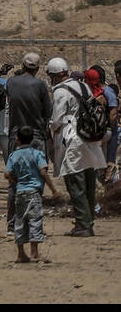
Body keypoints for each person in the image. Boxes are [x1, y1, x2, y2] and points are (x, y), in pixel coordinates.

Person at [49, 66, 106, 236]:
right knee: (89, 180)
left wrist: (50, 126)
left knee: (75, 181)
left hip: (72, 138)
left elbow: (57, 120)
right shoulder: (82, 86)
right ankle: (88, 220)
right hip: (88, 136)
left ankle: (83, 224)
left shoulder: (60, 91)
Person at [4, 126, 59, 262]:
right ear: (32, 139)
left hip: (20, 192)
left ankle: (21, 253)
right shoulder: (37, 154)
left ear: (17, 139)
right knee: (35, 220)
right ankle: (34, 253)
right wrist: (53, 189)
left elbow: (6, 174)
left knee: (20, 221)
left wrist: (16, 181)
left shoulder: (13, 155)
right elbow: (43, 172)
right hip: (34, 193)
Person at [6, 54, 52, 148]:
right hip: (36, 133)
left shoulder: (10, 82)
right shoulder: (40, 84)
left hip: (16, 134)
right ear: (37, 68)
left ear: (22, 66)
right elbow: (48, 111)